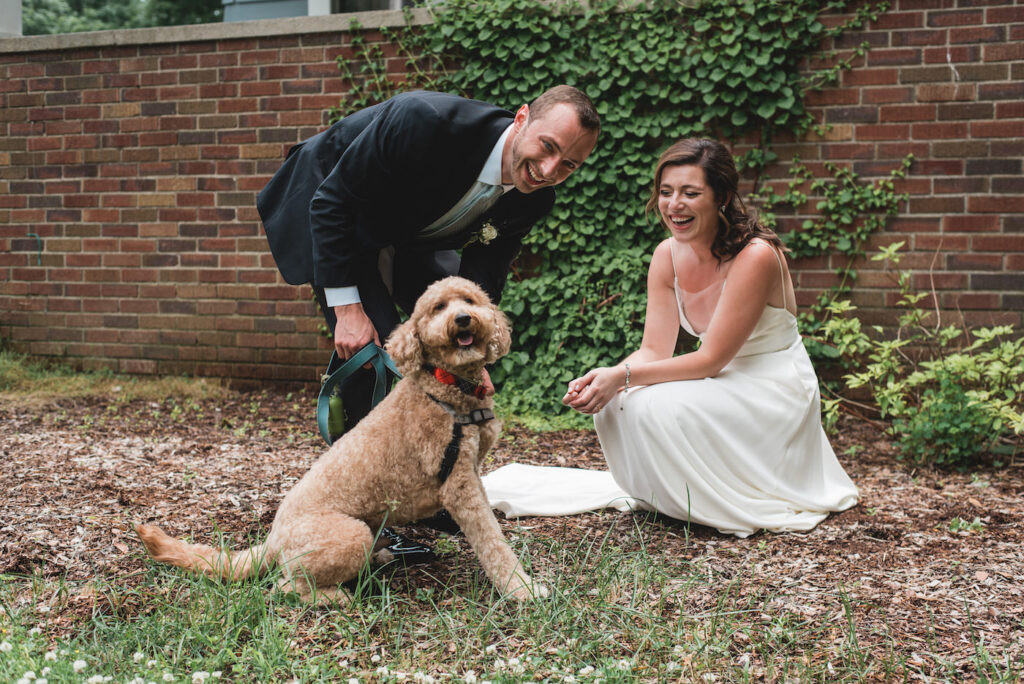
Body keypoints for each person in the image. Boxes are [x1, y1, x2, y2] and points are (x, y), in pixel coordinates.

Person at [257, 86, 600, 559]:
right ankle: (366, 515)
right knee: (371, 353)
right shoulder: (426, 123)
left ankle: (438, 486)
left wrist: (474, 351)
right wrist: (348, 310)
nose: (549, 170)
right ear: (521, 118)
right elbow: (334, 202)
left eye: (569, 165)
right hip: (335, 206)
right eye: (548, 147)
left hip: (409, 234)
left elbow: (482, 279)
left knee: (443, 351)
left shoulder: (533, 199)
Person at [483, 138, 857, 538]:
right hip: (722, 381)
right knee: (615, 403)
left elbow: (710, 359)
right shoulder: (666, 255)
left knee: (652, 402)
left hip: (771, 389)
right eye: (666, 192)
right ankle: (674, 497)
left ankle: (716, 501)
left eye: (690, 193)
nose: (674, 204)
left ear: (722, 197)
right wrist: (607, 376)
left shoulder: (756, 256)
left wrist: (621, 378)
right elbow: (653, 350)